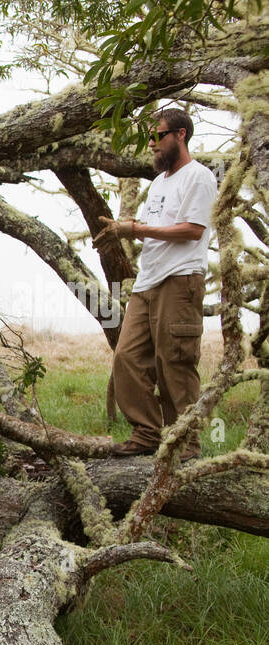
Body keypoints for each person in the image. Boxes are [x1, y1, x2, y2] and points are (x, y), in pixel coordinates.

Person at [94, 108, 217, 460]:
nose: (151, 144)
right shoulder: (160, 183)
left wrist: (135, 229)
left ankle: (186, 445)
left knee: (174, 364)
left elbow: (193, 230)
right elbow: (153, 228)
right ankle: (147, 432)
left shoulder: (200, 177)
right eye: (150, 137)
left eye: (157, 136)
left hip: (180, 281)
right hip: (147, 282)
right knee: (127, 357)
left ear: (180, 135)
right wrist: (128, 225)